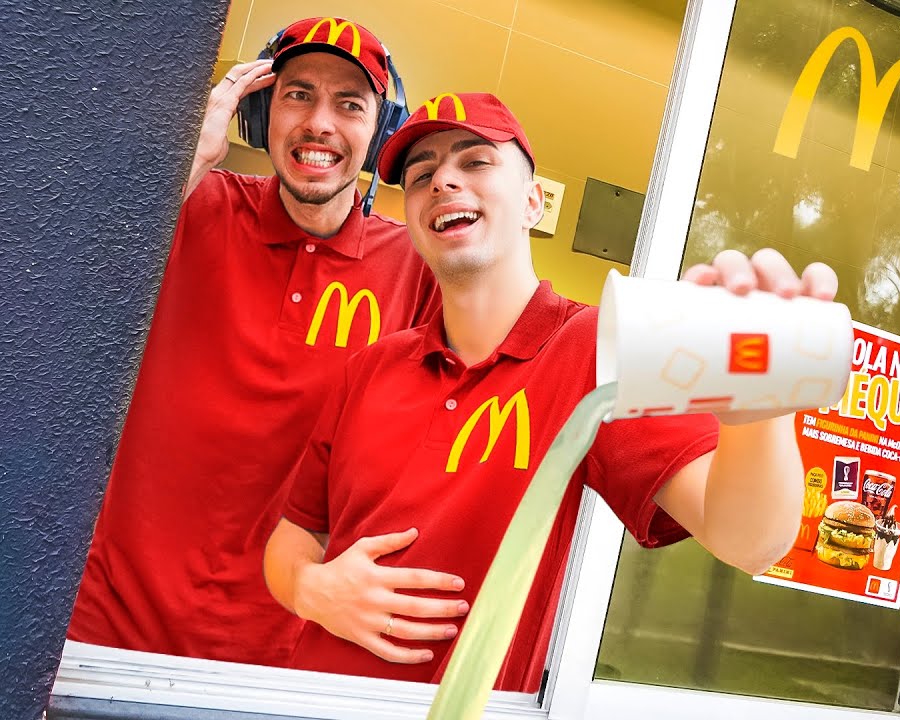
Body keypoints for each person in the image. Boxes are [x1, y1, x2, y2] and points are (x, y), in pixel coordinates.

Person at [262, 92, 837, 691]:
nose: (442, 182)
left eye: (475, 162)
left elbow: (750, 540)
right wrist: (311, 589)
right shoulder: (370, 368)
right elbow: (294, 537)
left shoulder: (598, 348)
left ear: (532, 201)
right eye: (421, 176)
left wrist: (758, 417)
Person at [68, 17, 438, 667]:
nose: (320, 122)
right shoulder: (194, 207)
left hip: (277, 651)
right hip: (109, 623)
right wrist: (194, 152)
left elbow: (528, 343)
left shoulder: (416, 266)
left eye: (349, 103)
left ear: (378, 133)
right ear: (260, 112)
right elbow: (63, 286)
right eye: (297, 94)